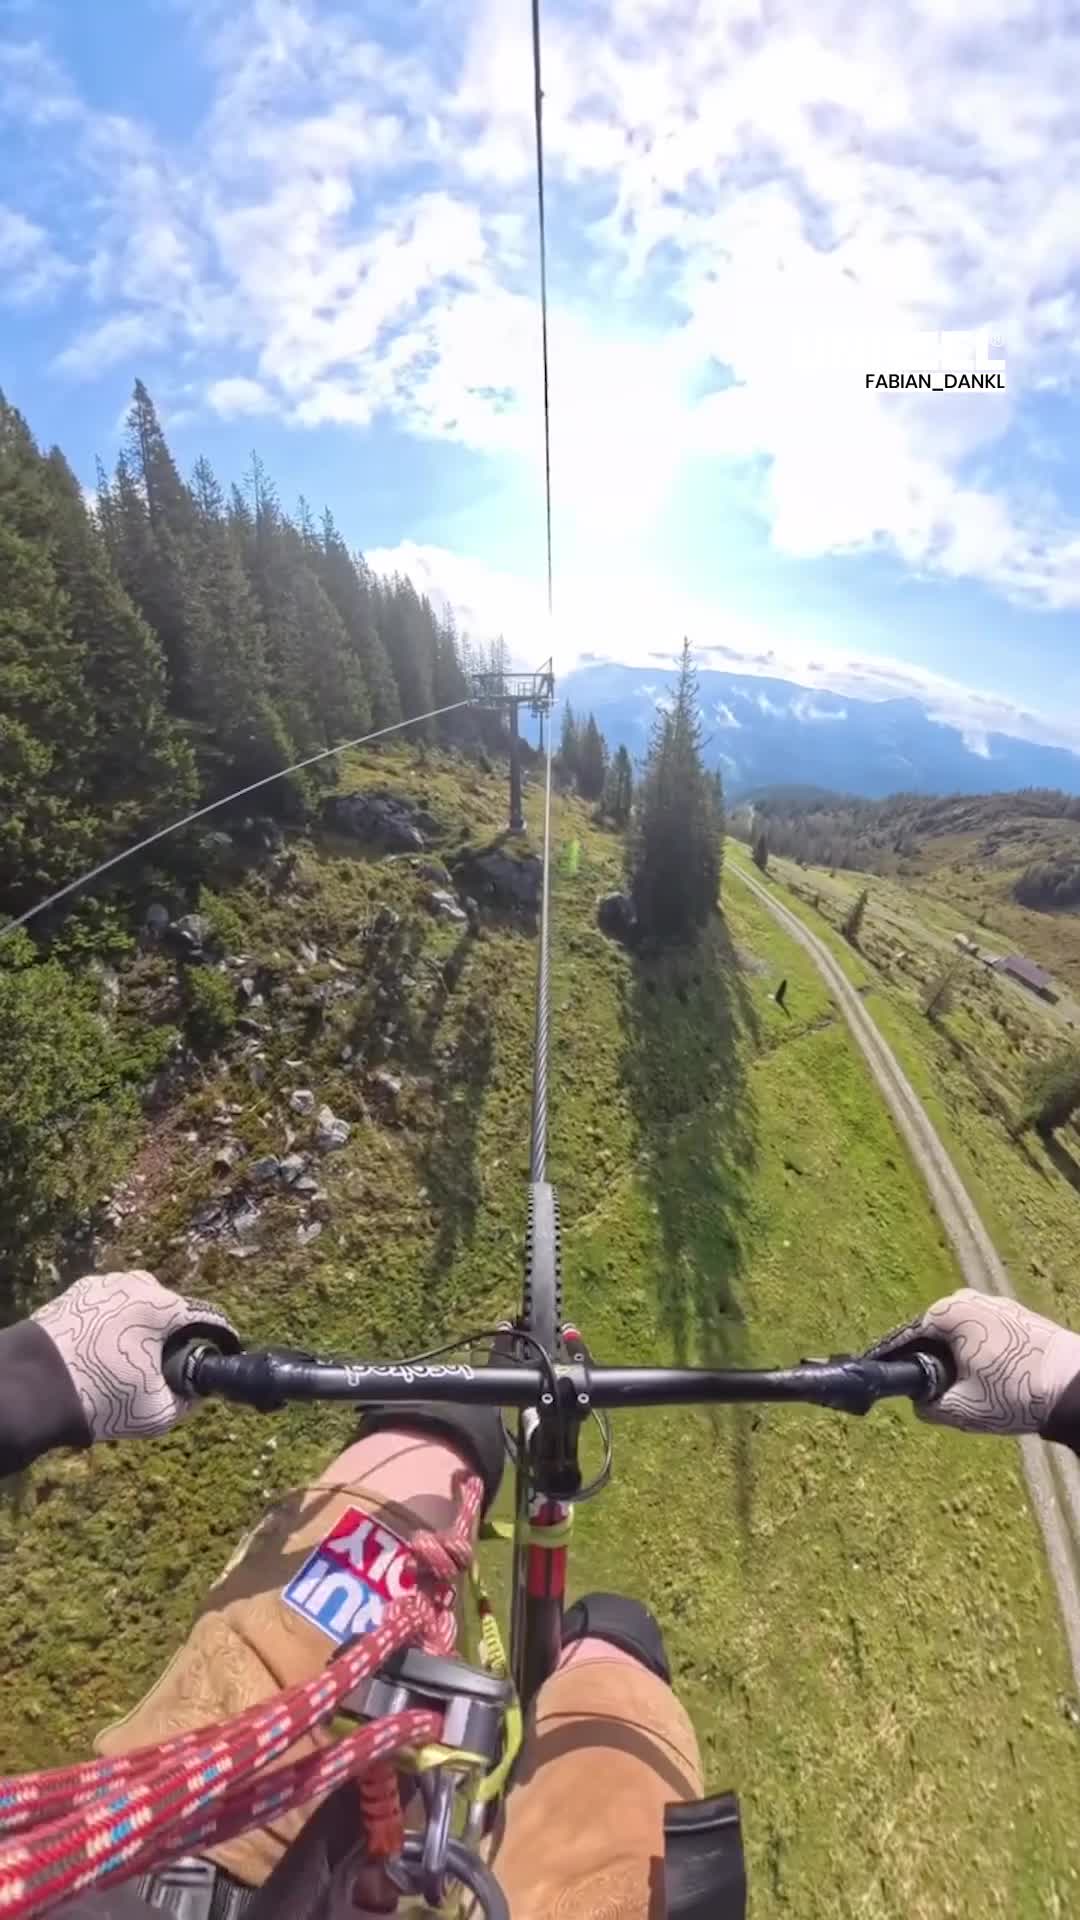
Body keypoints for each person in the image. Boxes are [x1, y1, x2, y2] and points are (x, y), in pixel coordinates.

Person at [4, 1275, 1080, 1920]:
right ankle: (590, 1673)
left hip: (146, 1870)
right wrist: (1064, 1386)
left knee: (424, 1445)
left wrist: (47, 1377)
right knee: (616, 1658)